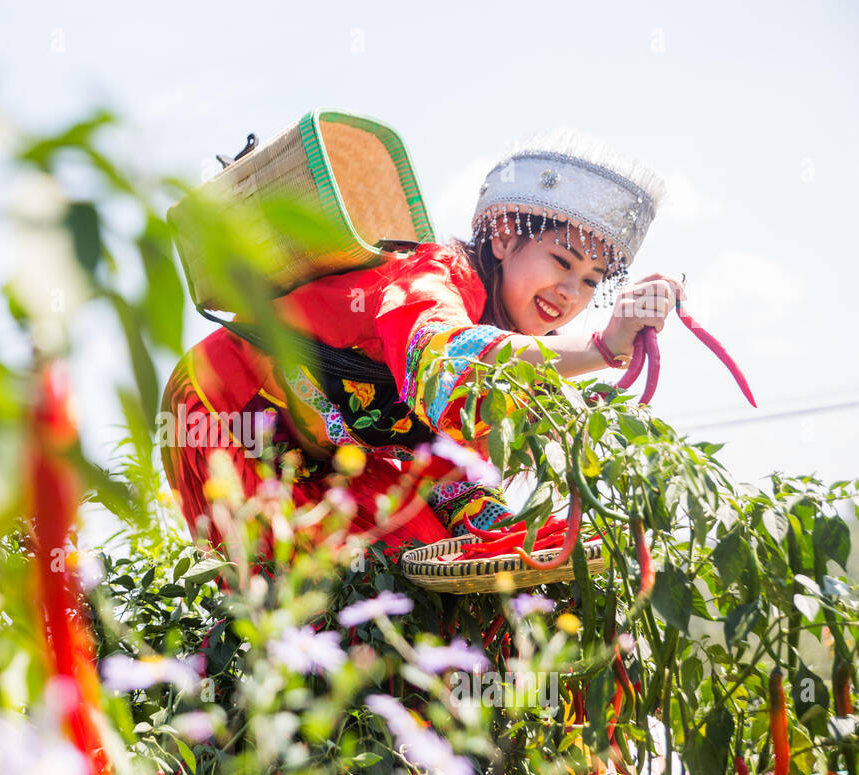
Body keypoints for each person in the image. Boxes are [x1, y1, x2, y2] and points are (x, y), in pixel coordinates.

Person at [160, 128, 682, 554]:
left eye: (591, 282)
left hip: (321, 452)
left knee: (468, 565)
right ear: (502, 238)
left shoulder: (518, 347)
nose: (570, 293)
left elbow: (453, 481)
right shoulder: (434, 280)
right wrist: (603, 348)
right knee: (365, 584)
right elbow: (448, 363)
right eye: (562, 262)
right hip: (226, 410)